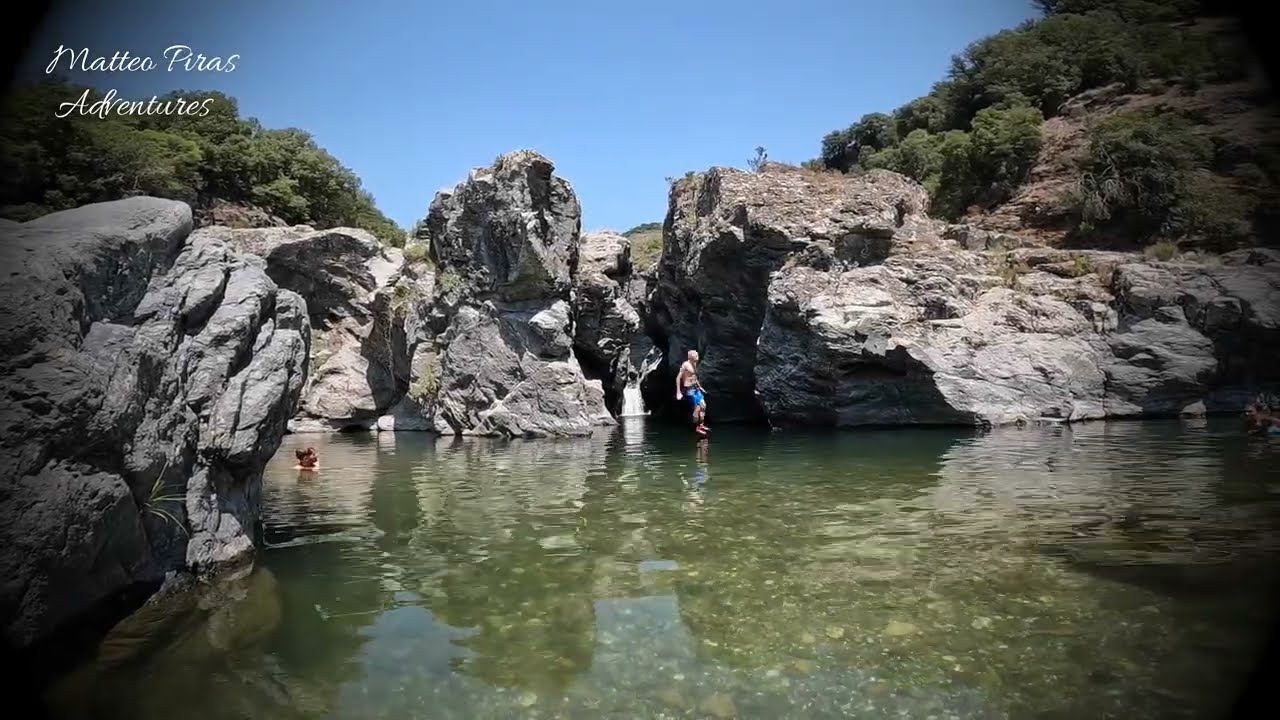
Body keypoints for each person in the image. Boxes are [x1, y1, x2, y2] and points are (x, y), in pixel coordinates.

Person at [675, 349, 708, 436]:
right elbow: (678, 378)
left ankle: (701, 425)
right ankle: (696, 427)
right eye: (696, 355)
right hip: (689, 390)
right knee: (697, 408)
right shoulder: (685, 364)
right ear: (691, 357)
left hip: (696, 388)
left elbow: (694, 377)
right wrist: (678, 392)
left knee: (703, 406)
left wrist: (700, 387)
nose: (698, 357)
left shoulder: (694, 363)